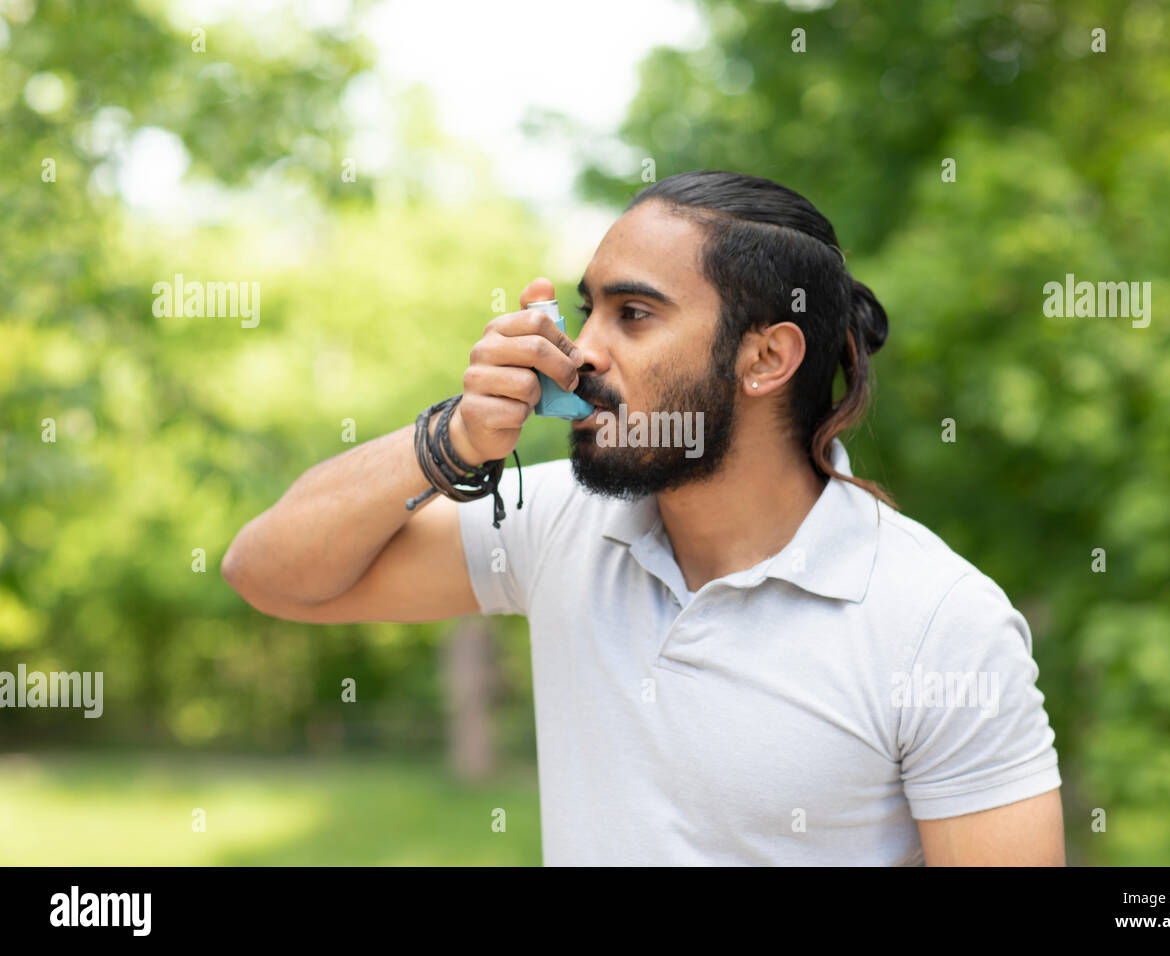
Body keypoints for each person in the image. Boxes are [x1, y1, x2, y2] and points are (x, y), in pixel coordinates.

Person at [222, 169, 1065, 866]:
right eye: (588, 309)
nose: (582, 350)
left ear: (767, 357)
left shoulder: (940, 624)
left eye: (633, 314)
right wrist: (455, 436)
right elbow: (270, 574)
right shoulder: (563, 523)